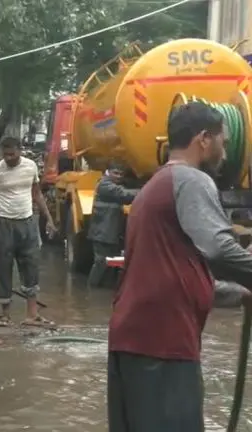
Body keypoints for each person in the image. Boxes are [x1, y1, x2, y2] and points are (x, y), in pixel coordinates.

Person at [107, 101, 252, 432]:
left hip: (135, 342)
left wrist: (239, 294)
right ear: (203, 139)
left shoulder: (155, 187)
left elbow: (175, 275)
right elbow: (219, 248)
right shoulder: (191, 180)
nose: (225, 153)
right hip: (163, 346)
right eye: (223, 142)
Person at [0, 137, 57, 327]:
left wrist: (49, 219)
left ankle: (32, 315)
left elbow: (36, 194)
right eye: (5, 155)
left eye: (12, 154)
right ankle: (5, 315)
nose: (9, 158)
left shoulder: (31, 167)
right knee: (3, 267)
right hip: (3, 224)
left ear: (20, 150)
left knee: (31, 265)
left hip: (27, 223)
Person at [86, 161, 138, 287]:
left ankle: (98, 296)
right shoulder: (104, 185)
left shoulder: (112, 185)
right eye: (115, 173)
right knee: (101, 262)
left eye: (121, 174)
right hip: (102, 233)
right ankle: (91, 289)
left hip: (110, 233)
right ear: (108, 172)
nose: (118, 176)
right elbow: (124, 195)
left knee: (110, 264)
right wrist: (149, 188)